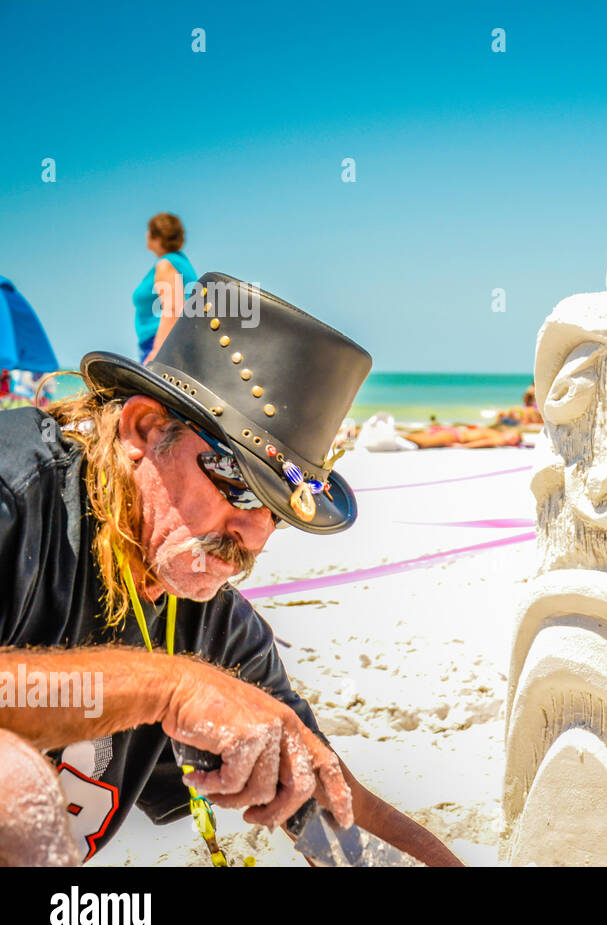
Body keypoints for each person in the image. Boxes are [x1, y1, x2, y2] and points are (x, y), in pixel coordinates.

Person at [0, 273, 462, 866]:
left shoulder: (216, 632)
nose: (255, 536)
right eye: (243, 489)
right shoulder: (16, 496)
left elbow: (331, 808)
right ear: (143, 428)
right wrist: (171, 689)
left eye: (280, 515)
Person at [135, 213, 198, 365]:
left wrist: (157, 353)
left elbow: (174, 309)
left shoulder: (166, 265)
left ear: (157, 238)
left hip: (161, 343)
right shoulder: (182, 262)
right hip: (172, 341)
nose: (146, 234)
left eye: (149, 230)